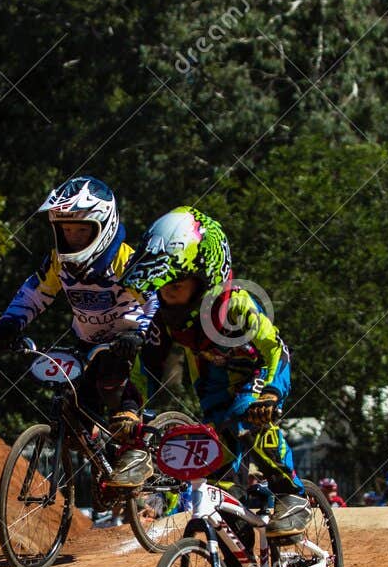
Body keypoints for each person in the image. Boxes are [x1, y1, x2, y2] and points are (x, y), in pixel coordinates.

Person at [126, 207, 309, 535]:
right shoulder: (164, 319)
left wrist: (270, 392)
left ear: (205, 278)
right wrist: (129, 410)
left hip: (254, 376)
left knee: (247, 415)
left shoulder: (235, 305)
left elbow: (276, 350)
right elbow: (145, 369)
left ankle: (292, 495)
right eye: (163, 283)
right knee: (220, 486)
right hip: (211, 388)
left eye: (177, 284)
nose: (167, 293)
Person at [0, 176, 155, 487]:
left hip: (126, 342)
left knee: (115, 392)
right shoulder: (58, 261)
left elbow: (154, 296)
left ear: (102, 226)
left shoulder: (124, 258)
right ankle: (105, 469)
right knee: (74, 408)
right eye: (67, 229)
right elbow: (36, 292)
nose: (74, 237)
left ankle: (137, 454)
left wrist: (140, 333)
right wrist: (10, 323)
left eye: (82, 229)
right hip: (85, 340)